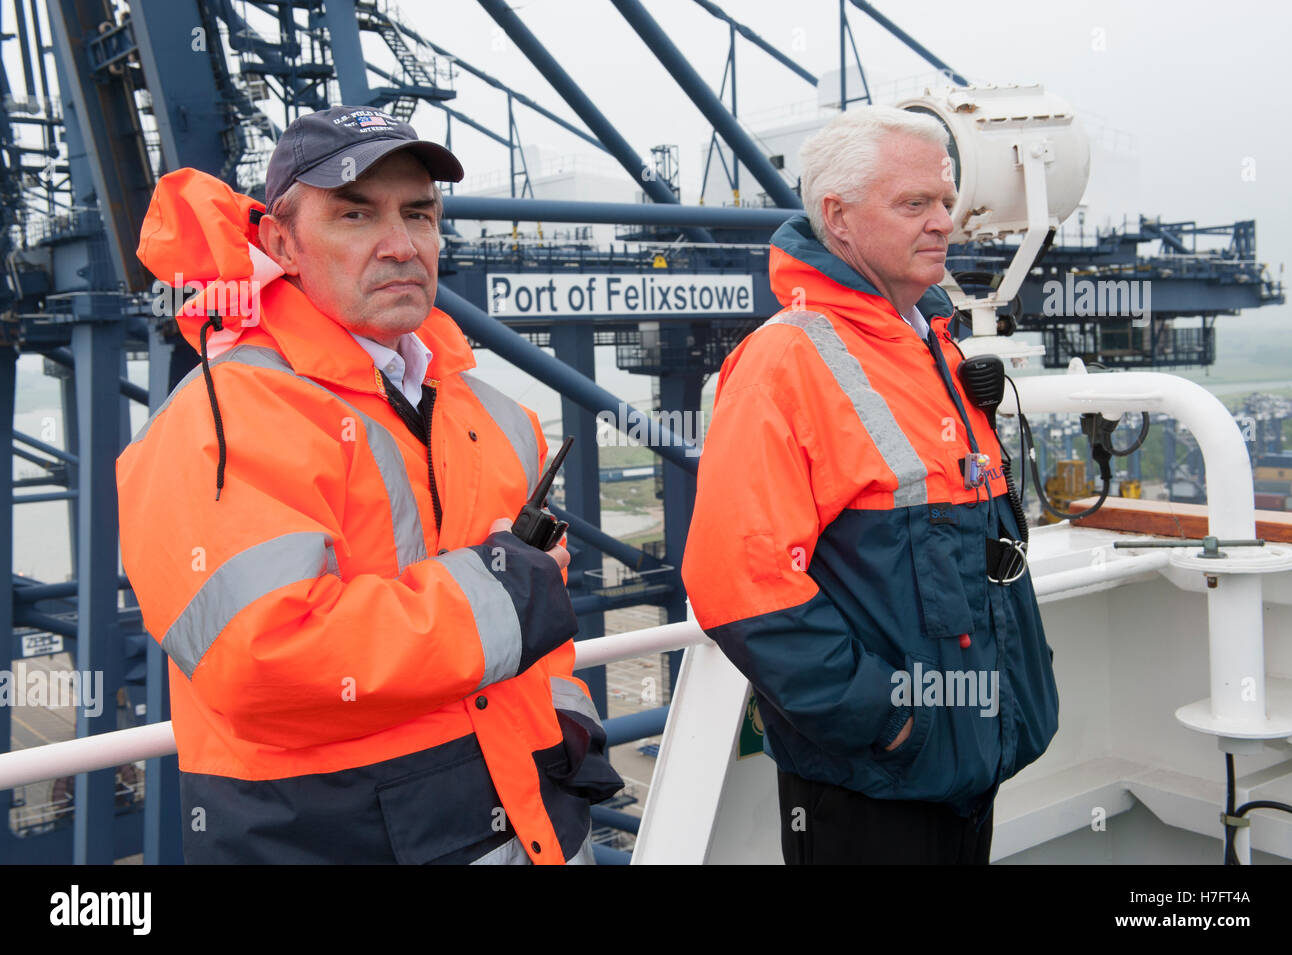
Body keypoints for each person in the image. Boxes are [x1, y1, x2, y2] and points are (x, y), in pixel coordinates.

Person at [118, 105, 623, 864]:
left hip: (535, 829)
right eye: (356, 215)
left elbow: (533, 641)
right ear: (279, 242)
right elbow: (260, 657)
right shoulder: (219, 421)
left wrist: (567, 736)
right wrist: (505, 592)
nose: (401, 245)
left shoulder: (498, 416)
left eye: (419, 214)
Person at [681, 106, 1059, 865]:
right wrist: (892, 721)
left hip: (967, 760)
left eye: (945, 203)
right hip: (874, 783)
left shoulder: (932, 346)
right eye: (913, 204)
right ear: (838, 217)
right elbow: (738, 581)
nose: (941, 223)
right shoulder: (783, 361)